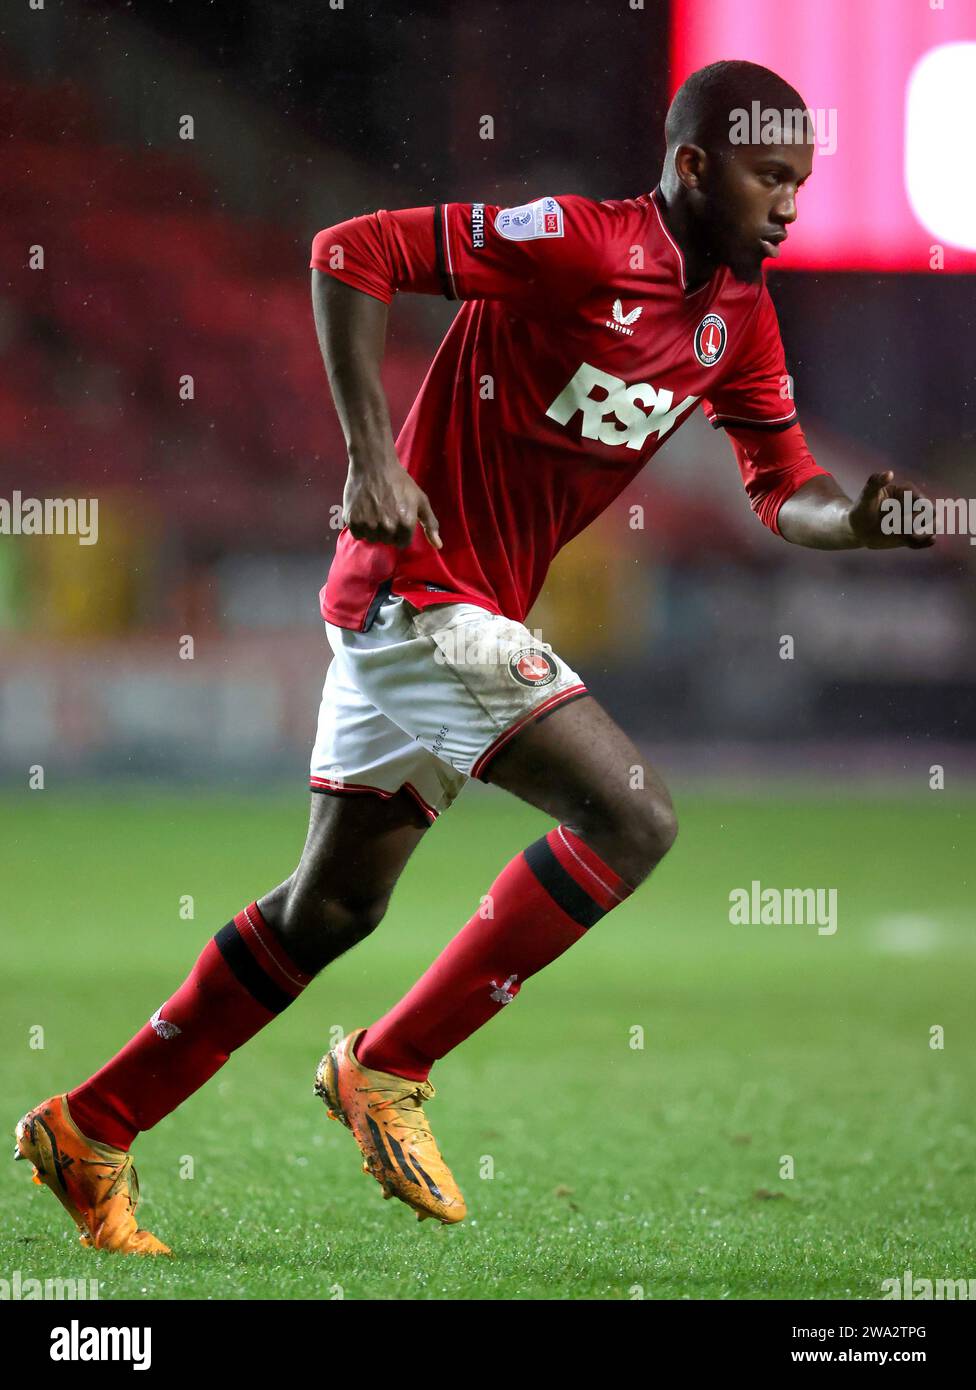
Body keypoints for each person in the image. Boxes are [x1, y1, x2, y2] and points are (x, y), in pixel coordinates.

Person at [15, 59, 933, 1253]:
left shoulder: (737, 321)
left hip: (459, 608)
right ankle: (388, 1067)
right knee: (635, 817)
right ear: (694, 164)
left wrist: (850, 521)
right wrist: (367, 454)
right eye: (770, 177)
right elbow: (350, 249)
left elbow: (783, 488)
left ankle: (90, 1126)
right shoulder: (579, 242)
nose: (791, 206)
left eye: (802, 183)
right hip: (421, 594)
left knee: (329, 909)